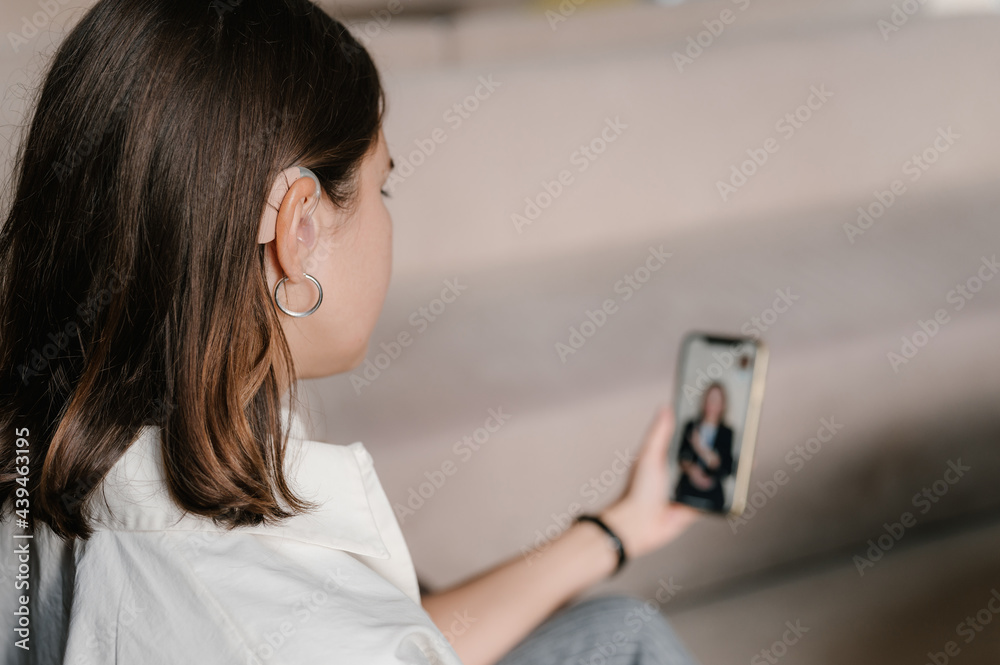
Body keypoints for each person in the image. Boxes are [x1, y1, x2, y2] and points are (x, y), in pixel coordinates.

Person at [0, 1, 701, 664]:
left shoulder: (65, 449)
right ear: (297, 228)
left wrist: (616, 529)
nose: (388, 218)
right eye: (381, 187)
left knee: (621, 631)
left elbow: (400, 636)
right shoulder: (298, 632)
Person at [674, 383, 735, 513]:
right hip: (687, 490)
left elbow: (726, 467)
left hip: (712, 494)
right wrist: (691, 470)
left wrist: (700, 447)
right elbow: (681, 457)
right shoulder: (691, 426)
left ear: (723, 405)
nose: (711, 403)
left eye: (715, 400)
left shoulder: (727, 433)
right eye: (709, 398)